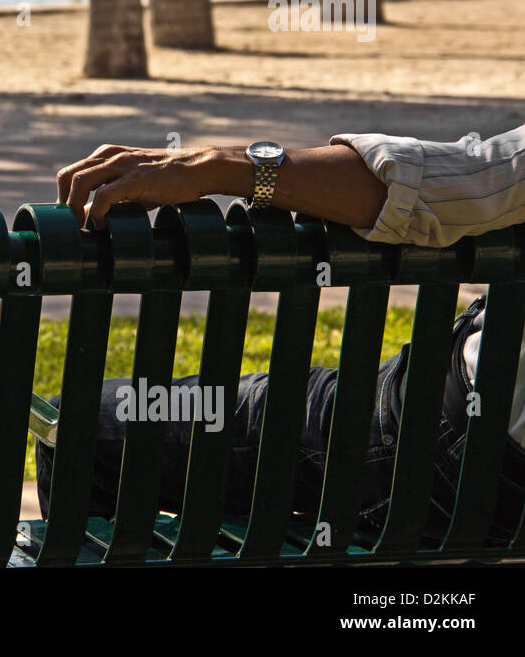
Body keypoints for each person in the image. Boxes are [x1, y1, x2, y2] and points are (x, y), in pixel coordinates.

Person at [41, 126, 525, 545]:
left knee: (77, 425)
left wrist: (215, 167)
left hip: (444, 454)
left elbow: (446, 182)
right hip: (488, 483)